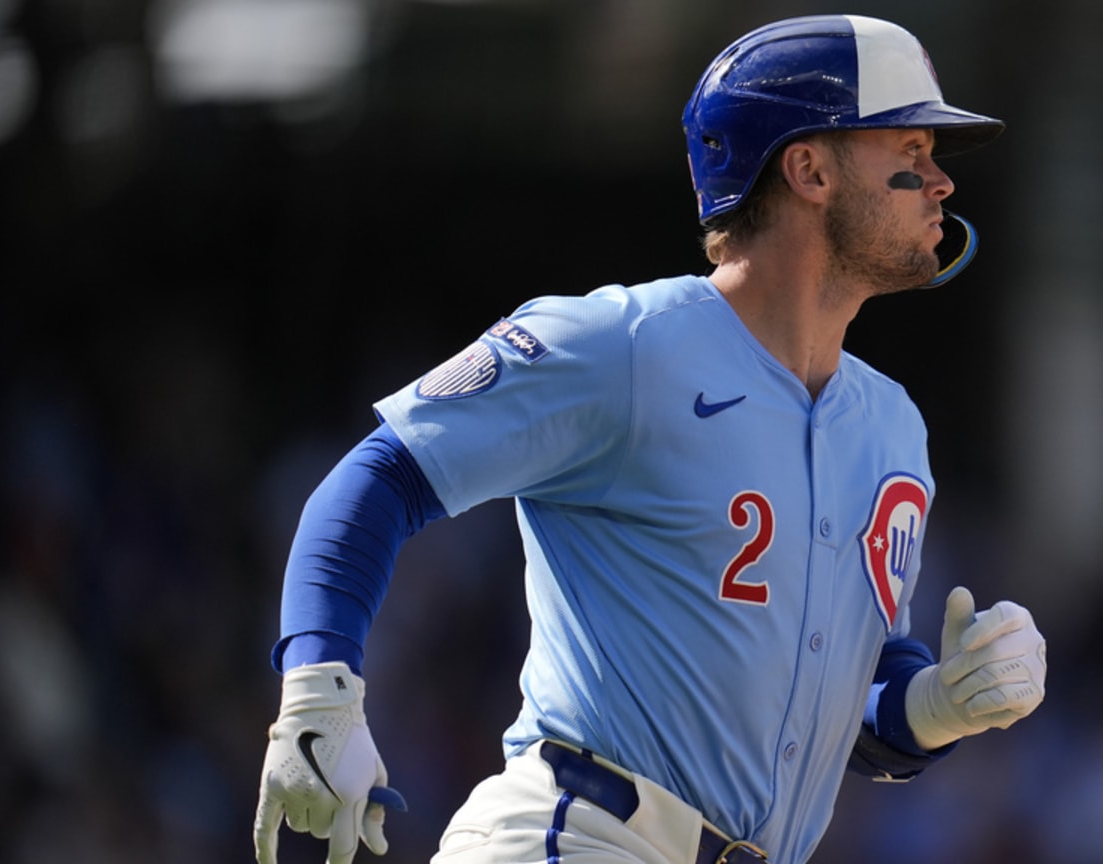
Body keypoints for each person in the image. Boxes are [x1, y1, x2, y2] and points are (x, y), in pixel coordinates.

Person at [253, 13, 1047, 864]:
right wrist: (319, 689)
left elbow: (846, 702)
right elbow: (379, 478)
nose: (941, 183)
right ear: (809, 168)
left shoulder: (892, 427)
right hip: (577, 835)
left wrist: (939, 705)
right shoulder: (623, 345)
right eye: (911, 151)